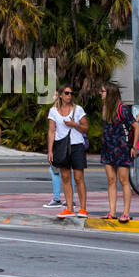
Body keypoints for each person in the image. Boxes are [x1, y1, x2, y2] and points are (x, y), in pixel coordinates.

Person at [99, 82, 139, 224]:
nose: (101, 94)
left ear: (110, 93)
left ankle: (126, 213)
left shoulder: (122, 109)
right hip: (107, 148)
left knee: (124, 180)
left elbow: (136, 126)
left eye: (103, 92)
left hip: (121, 148)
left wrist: (134, 147)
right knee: (111, 180)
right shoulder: (105, 108)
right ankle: (111, 212)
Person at [47, 84, 89, 218]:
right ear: (60, 94)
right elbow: (51, 131)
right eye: (66, 93)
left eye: (71, 93)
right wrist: (50, 150)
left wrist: (74, 125)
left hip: (76, 146)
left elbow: (86, 128)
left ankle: (83, 209)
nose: (69, 95)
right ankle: (69, 208)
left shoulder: (78, 110)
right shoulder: (53, 111)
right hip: (61, 147)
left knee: (78, 178)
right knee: (65, 177)